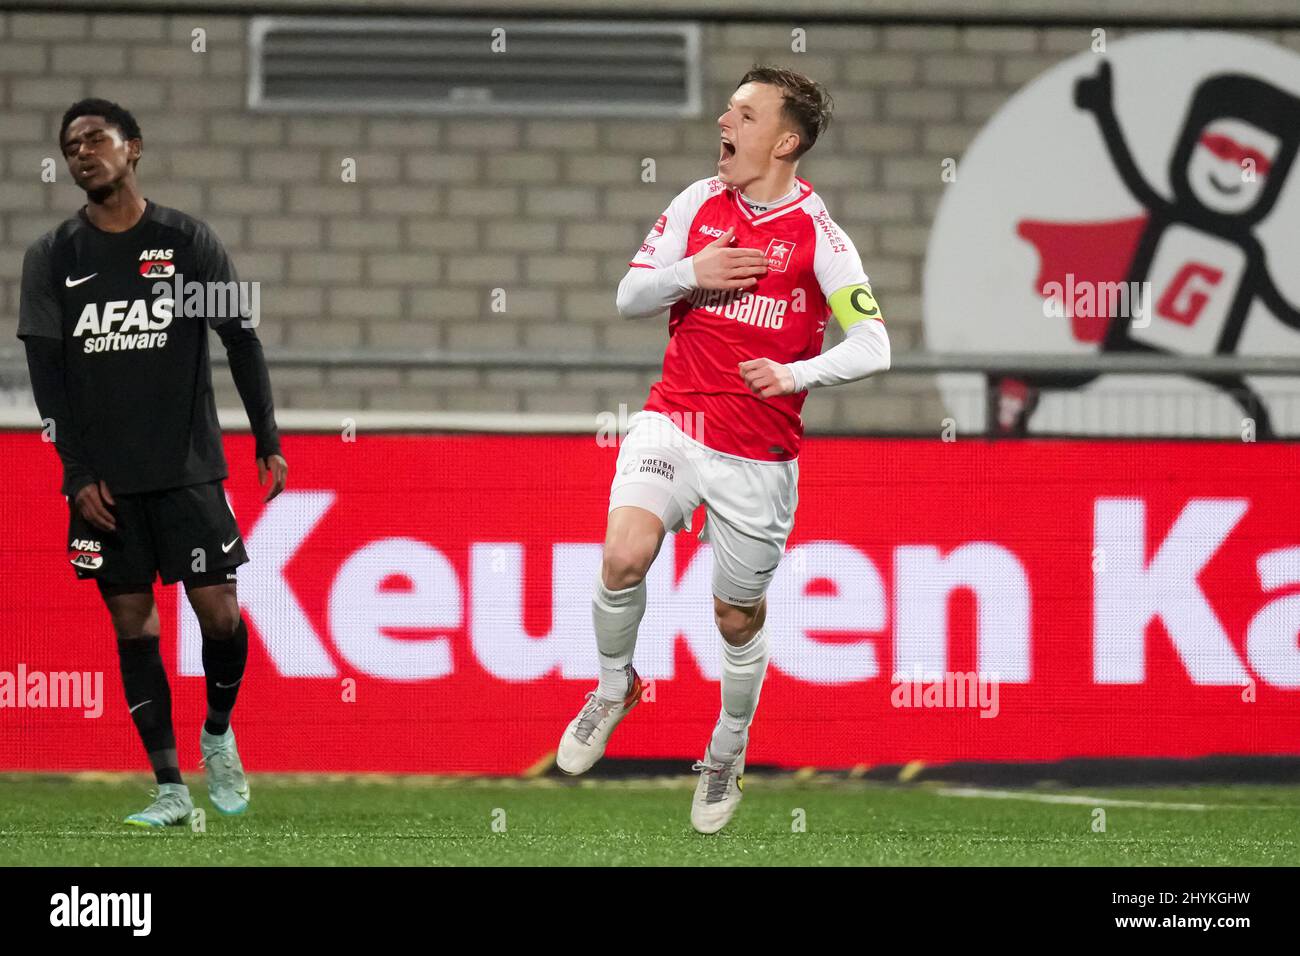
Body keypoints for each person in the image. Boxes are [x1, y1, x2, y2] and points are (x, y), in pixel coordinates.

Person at [556, 68, 891, 834]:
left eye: (743, 113)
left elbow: (874, 345)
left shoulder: (821, 239)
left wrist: (796, 372)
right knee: (621, 558)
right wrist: (691, 274)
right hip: (673, 421)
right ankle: (614, 688)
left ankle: (727, 749)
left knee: (736, 620)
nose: (723, 121)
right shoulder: (697, 204)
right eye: (727, 109)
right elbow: (630, 295)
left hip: (758, 457)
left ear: (785, 140)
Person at [18, 98, 287, 827]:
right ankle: (168, 787)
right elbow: (49, 380)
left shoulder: (183, 241)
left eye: (96, 139)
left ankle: (219, 732)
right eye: (71, 144)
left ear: (132, 148)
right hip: (106, 484)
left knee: (220, 614)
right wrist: (76, 475)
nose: (82, 152)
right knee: (134, 628)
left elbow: (241, 338)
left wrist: (266, 436)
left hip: (189, 469)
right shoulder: (54, 258)